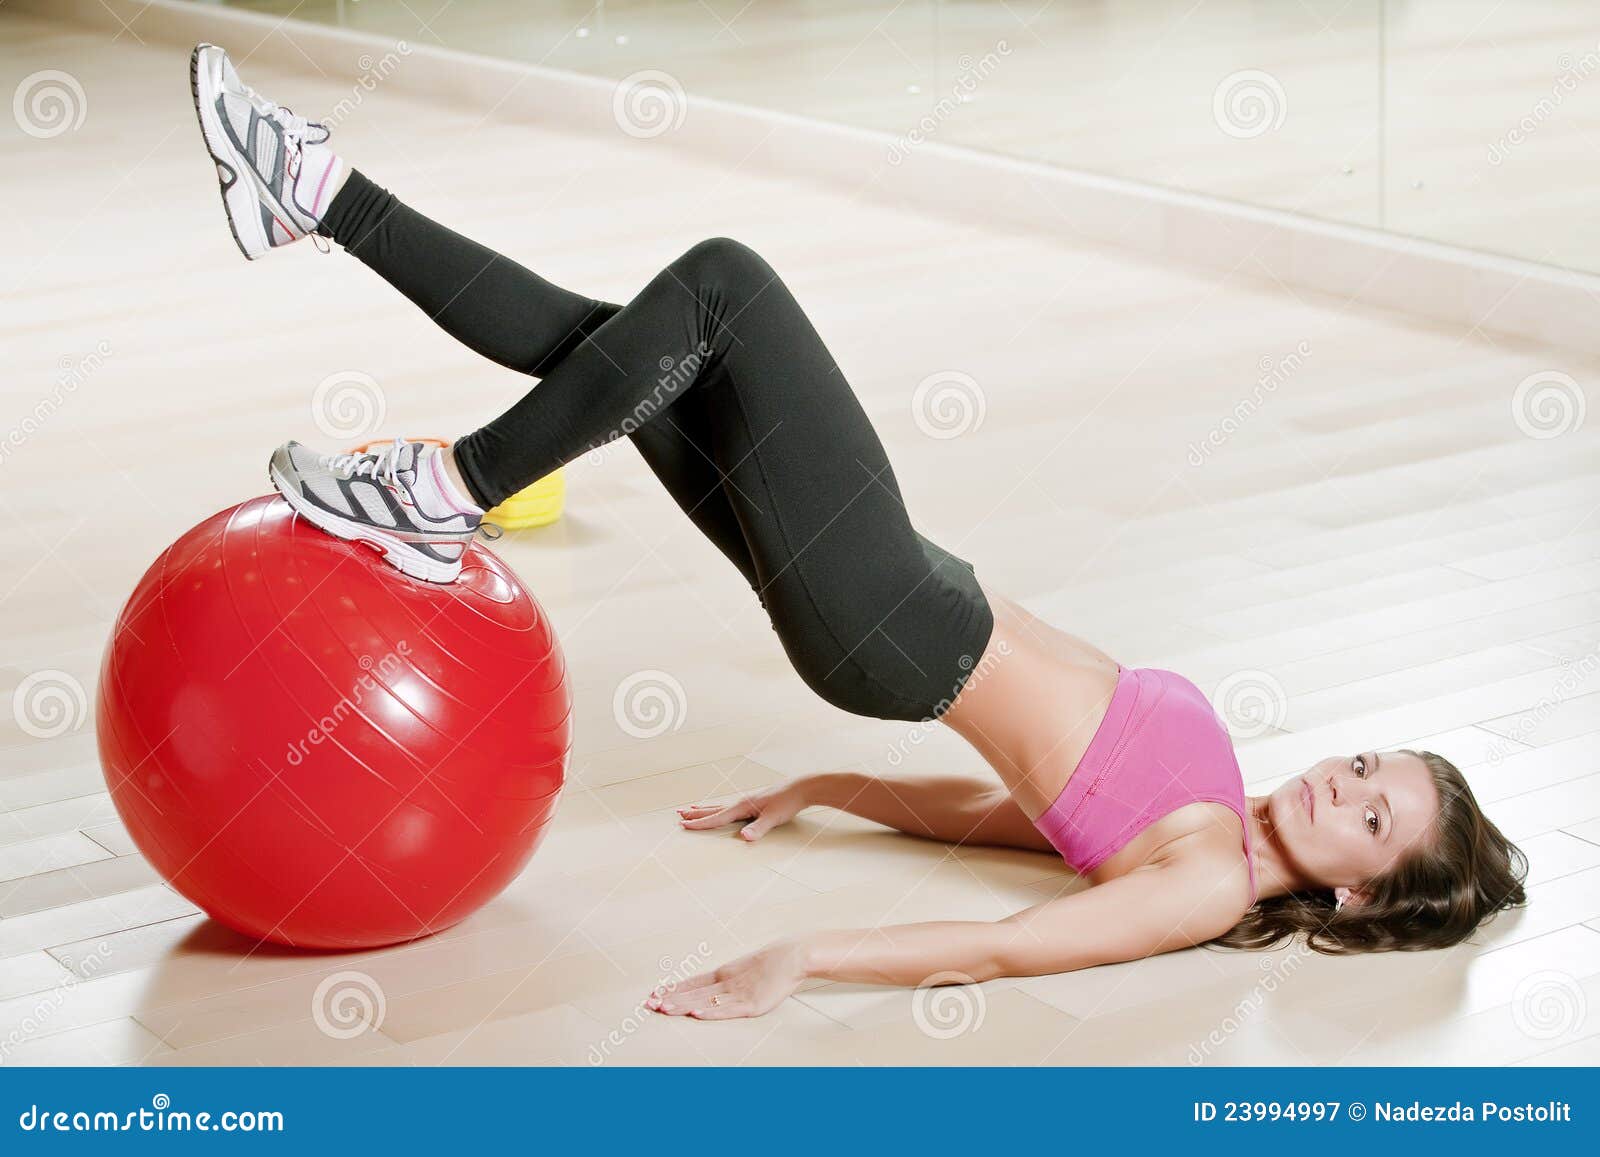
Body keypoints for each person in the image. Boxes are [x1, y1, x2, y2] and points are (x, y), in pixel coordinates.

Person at [189, 44, 1529, 1022]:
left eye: (1370, 816)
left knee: (723, 283)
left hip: (895, 613)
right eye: (1367, 765)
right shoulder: (1219, 806)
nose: (1340, 786)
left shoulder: (1203, 886)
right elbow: (1013, 818)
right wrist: (830, 790)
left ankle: (446, 485)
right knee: (614, 348)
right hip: (891, 609)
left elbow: (1015, 951)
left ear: (1362, 896)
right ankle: (318, 197)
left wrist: (804, 958)